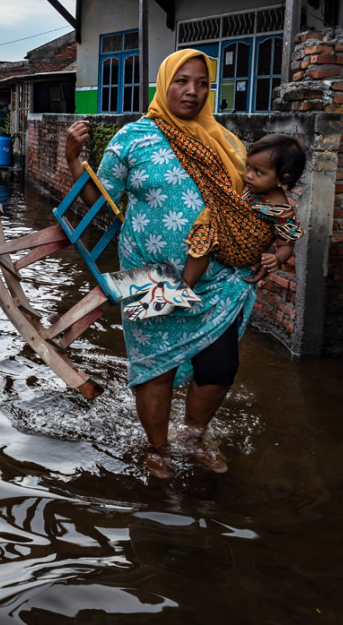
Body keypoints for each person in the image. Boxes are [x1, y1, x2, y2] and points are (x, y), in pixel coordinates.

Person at [64, 49, 257, 477]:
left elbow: (247, 206)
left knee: (219, 367)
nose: (192, 91)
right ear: (163, 83)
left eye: (202, 83)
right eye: (182, 81)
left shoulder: (224, 142)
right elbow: (103, 202)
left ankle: (194, 435)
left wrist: (267, 250)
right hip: (150, 272)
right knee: (155, 368)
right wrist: (74, 159)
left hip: (217, 274)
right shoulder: (132, 139)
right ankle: (157, 449)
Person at [180, 133, 306, 287]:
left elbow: (286, 246)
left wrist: (277, 258)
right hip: (225, 239)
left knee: (204, 234)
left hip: (238, 252)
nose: (248, 175)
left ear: (283, 178)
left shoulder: (280, 211)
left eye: (258, 172)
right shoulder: (252, 188)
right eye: (248, 167)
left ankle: (184, 287)